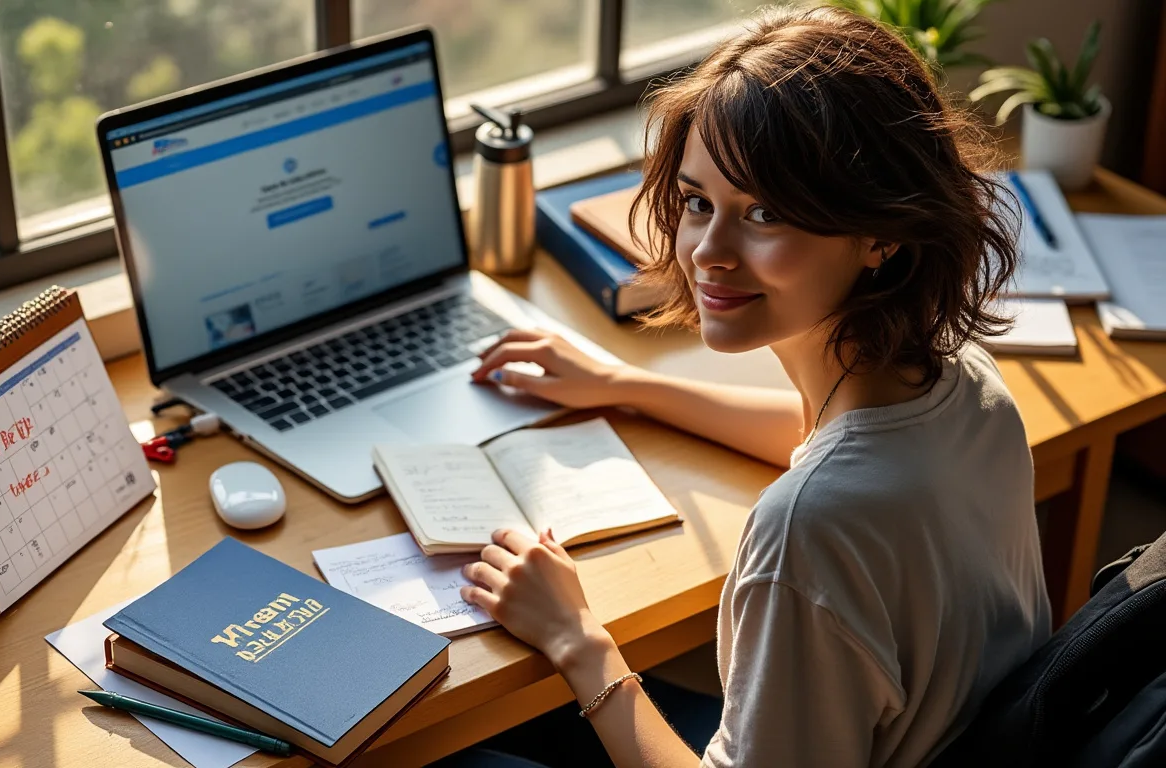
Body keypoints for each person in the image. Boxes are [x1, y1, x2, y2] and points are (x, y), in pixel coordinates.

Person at [442, 5, 1052, 767]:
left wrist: (579, 639)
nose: (708, 253)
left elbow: (827, 493)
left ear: (880, 232)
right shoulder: (967, 386)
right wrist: (626, 385)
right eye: (699, 203)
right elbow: (822, 444)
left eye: (765, 213)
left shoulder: (806, 531)